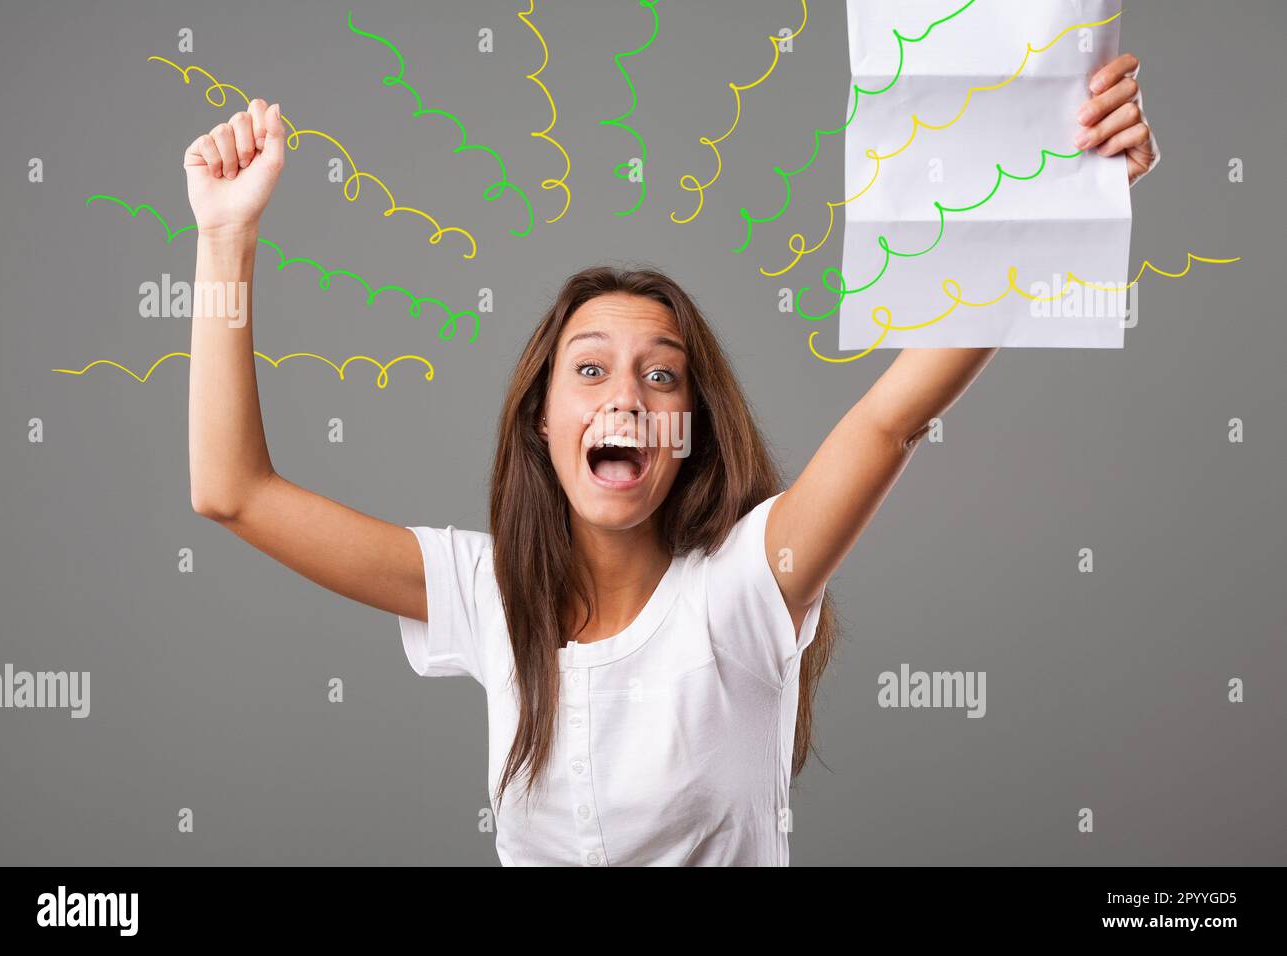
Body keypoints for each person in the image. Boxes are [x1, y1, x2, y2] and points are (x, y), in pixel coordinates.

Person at [181, 54, 1156, 866]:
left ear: (690, 429)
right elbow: (233, 490)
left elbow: (887, 421)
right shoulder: (489, 594)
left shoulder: (743, 588)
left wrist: (1062, 192)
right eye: (592, 369)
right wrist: (226, 237)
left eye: (660, 378)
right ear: (542, 421)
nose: (623, 398)